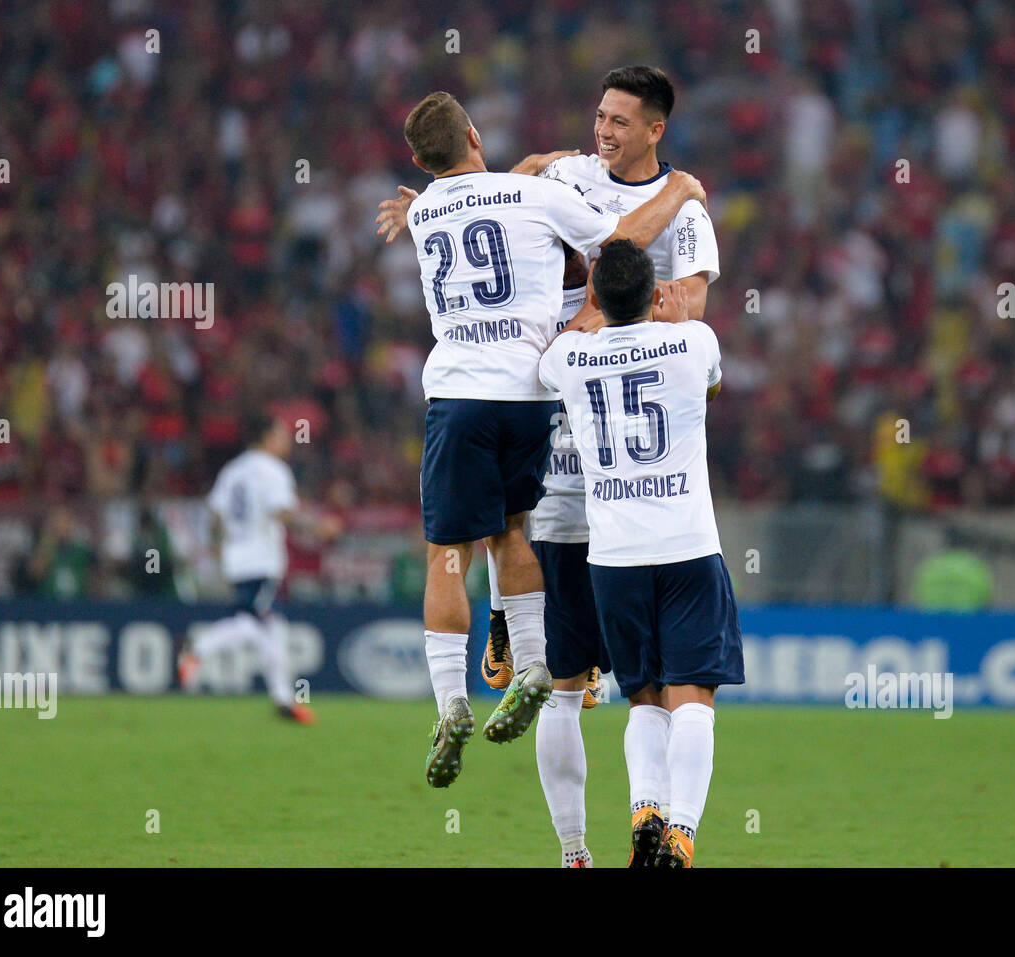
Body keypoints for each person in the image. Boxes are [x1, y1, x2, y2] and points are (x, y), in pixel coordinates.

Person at [378, 66, 720, 865]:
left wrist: (603, 289)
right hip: (565, 434)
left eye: (620, 122)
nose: (602, 132)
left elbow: (692, 301)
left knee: (632, 677)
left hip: (597, 427)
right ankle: (577, 848)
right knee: (569, 670)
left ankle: (646, 819)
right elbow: (525, 181)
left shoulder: (689, 212)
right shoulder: (559, 176)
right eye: (598, 116)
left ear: (655, 131)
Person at [539, 239, 743, 868]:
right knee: (693, 698)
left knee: (645, 697)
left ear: (597, 297)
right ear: (656, 295)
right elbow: (709, 386)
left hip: (614, 558)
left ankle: (643, 811)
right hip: (687, 548)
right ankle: (681, 830)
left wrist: (598, 311)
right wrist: (670, 319)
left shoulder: (571, 358)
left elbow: (555, 357)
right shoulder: (694, 341)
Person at [177, 412, 339, 723]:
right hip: (262, 559)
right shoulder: (273, 470)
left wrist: (217, 547)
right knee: (251, 622)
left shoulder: (233, 470)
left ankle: (283, 700)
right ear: (266, 438)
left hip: (237, 557)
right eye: (280, 434)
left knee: (272, 626)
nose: (287, 440)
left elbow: (214, 515)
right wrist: (318, 527)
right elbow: (282, 513)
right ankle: (197, 647)